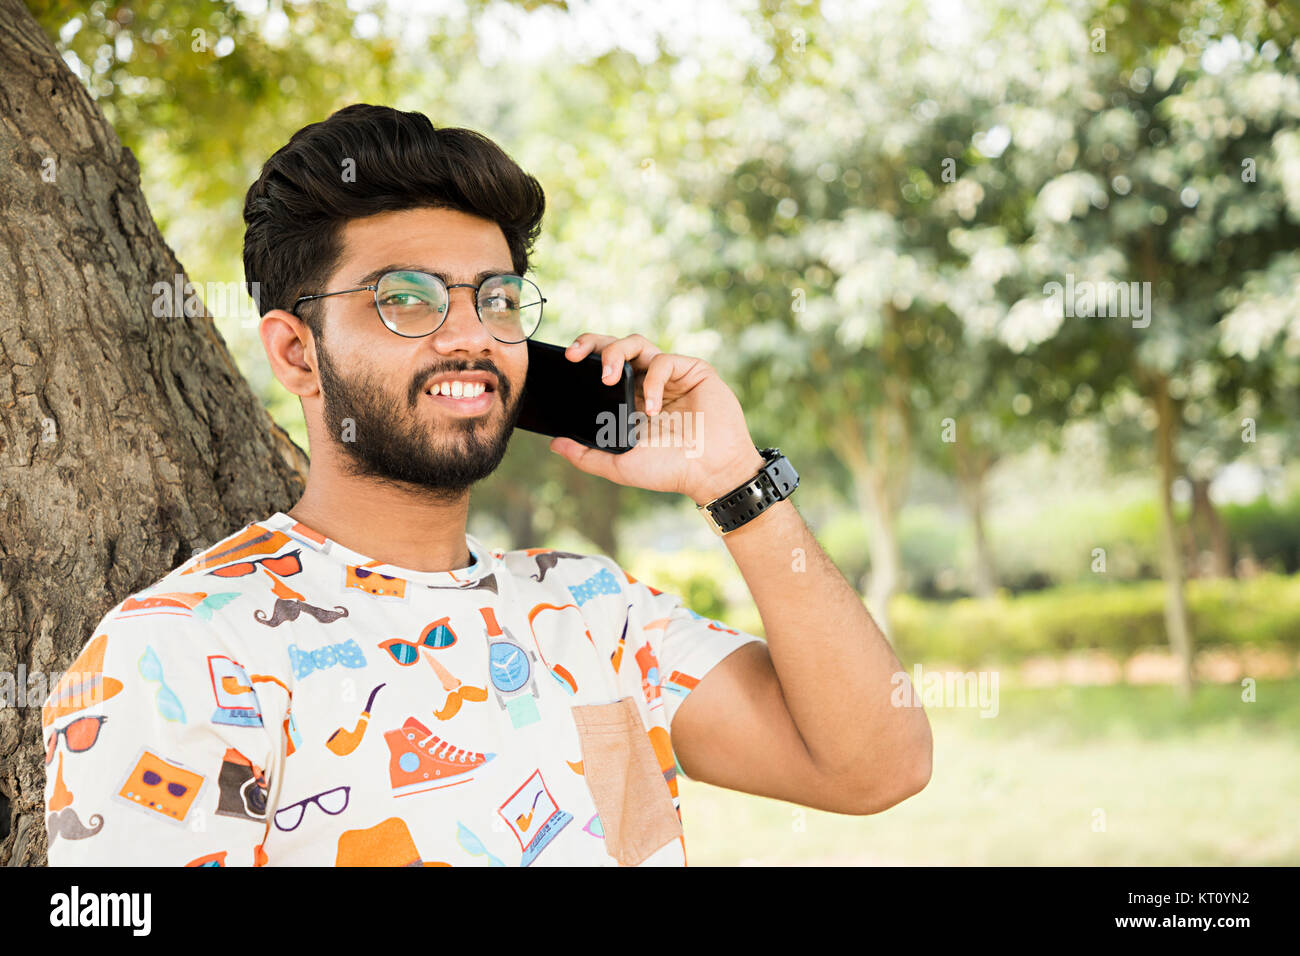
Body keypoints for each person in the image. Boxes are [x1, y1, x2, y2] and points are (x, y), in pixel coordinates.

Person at [42, 104, 931, 867]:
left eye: (497, 299)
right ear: (295, 353)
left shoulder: (593, 612)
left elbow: (874, 766)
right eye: (408, 298)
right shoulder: (179, 652)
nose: (470, 337)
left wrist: (734, 480)